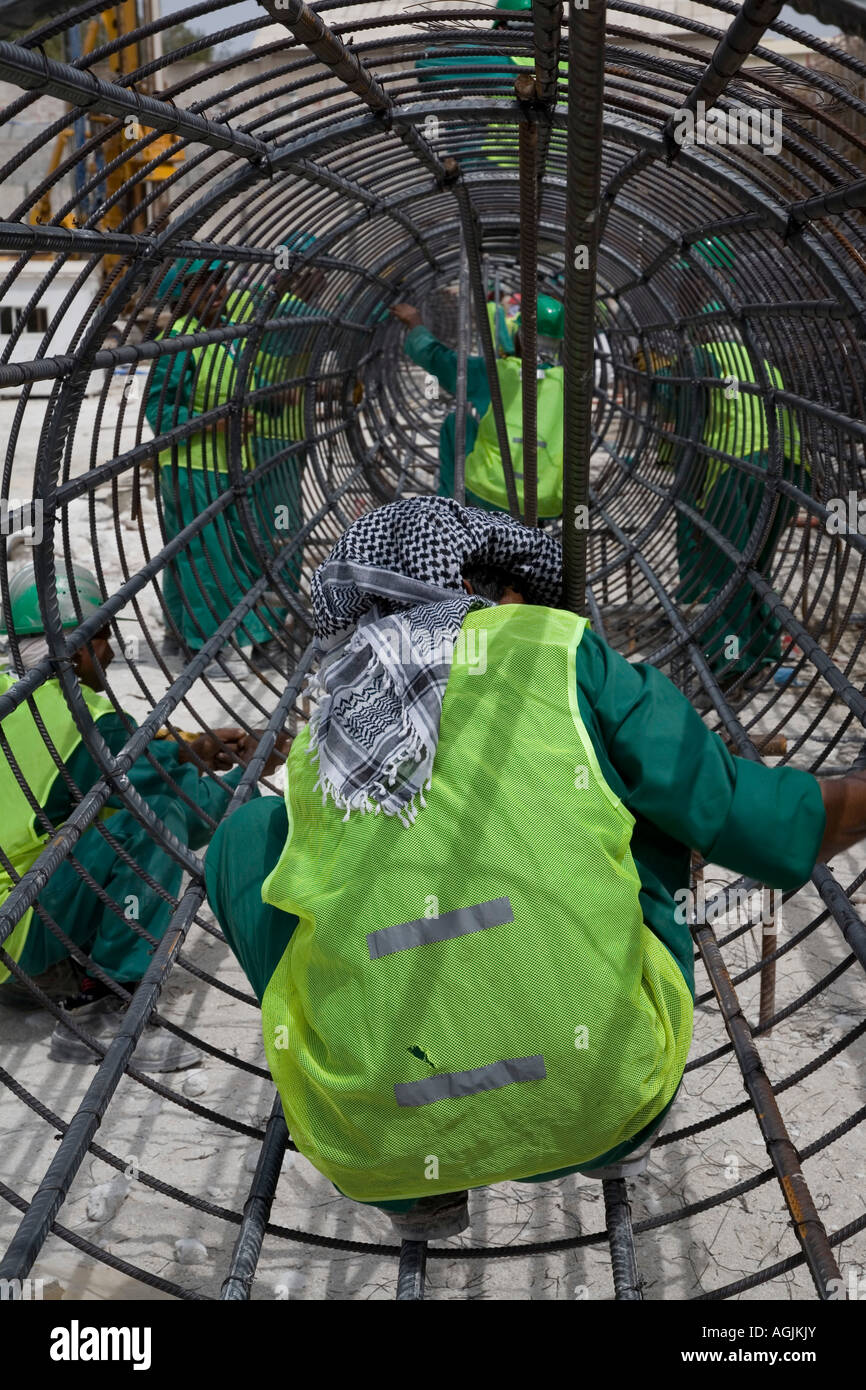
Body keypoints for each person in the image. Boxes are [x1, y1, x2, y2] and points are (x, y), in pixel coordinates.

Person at [205, 496, 847, 1240]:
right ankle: (617, 1137)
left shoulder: (328, 728)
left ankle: (414, 1195)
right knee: (647, 791)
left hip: (379, 1137)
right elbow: (743, 816)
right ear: (496, 587)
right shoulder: (559, 648)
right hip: (603, 1092)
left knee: (251, 840)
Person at [0, 563, 287, 1070]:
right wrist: (247, 775)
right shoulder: (80, 723)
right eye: (103, 635)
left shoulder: (18, 699)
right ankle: (107, 1005)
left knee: (98, 813)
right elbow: (180, 806)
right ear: (73, 646)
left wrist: (191, 750)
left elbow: (139, 758)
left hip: (11, 916)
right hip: (15, 928)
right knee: (145, 827)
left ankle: (51, 972)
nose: (112, 650)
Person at [144, 258, 287, 672]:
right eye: (202, 284)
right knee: (205, 556)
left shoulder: (230, 336)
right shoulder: (178, 341)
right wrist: (217, 421)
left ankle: (181, 633)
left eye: (219, 281)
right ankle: (202, 645)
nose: (216, 290)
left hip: (229, 463)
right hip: (192, 467)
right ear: (180, 294)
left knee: (223, 551)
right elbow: (159, 409)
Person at [641, 327, 806, 684]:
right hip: (790, 468)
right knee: (757, 568)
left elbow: (679, 410)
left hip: (736, 467)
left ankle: (730, 662)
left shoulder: (699, 358)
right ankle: (764, 652)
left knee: (725, 573)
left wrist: (655, 389)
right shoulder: (762, 363)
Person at [392, 293, 565, 518]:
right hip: (545, 502)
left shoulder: (498, 373)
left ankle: (449, 512)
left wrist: (415, 323)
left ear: (519, 336)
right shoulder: (570, 383)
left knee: (457, 423)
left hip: (490, 492)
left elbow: (440, 360)